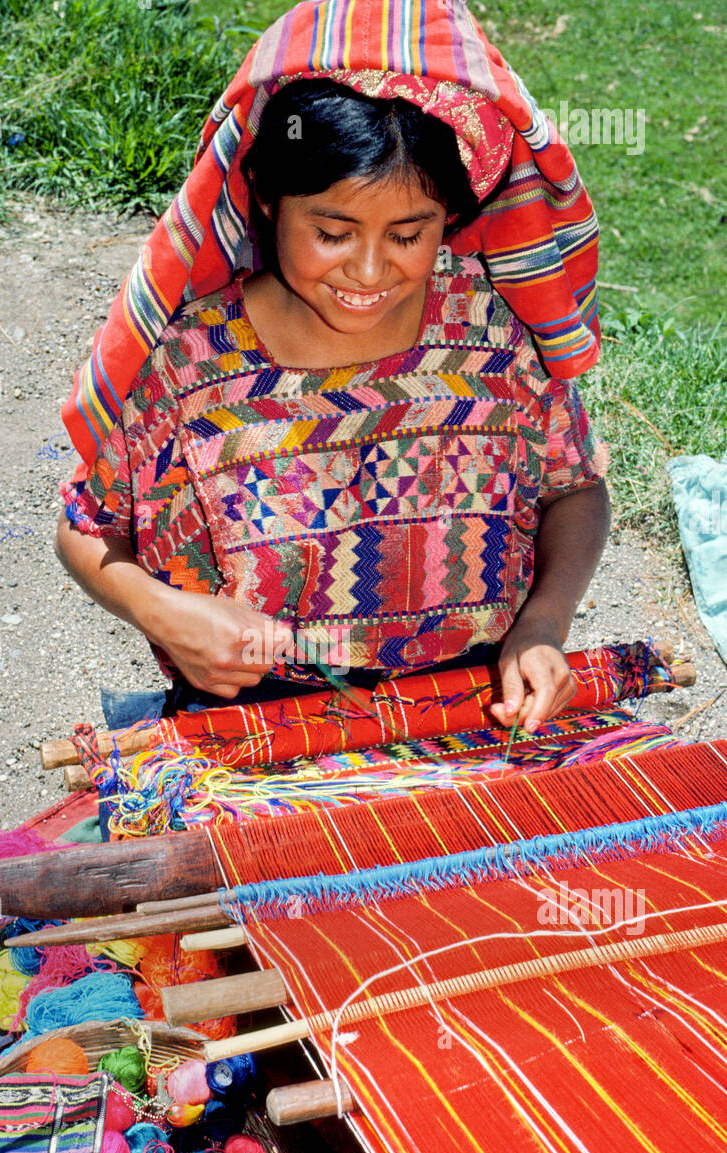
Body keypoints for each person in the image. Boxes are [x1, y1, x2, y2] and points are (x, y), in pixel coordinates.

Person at [55, 1, 609, 741]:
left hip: (477, 708)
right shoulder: (187, 365)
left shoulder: (494, 336)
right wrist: (168, 615)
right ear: (267, 201)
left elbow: (576, 489)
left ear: (449, 216)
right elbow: (87, 529)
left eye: (410, 233)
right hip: (264, 726)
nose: (372, 269)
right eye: (331, 232)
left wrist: (542, 626)